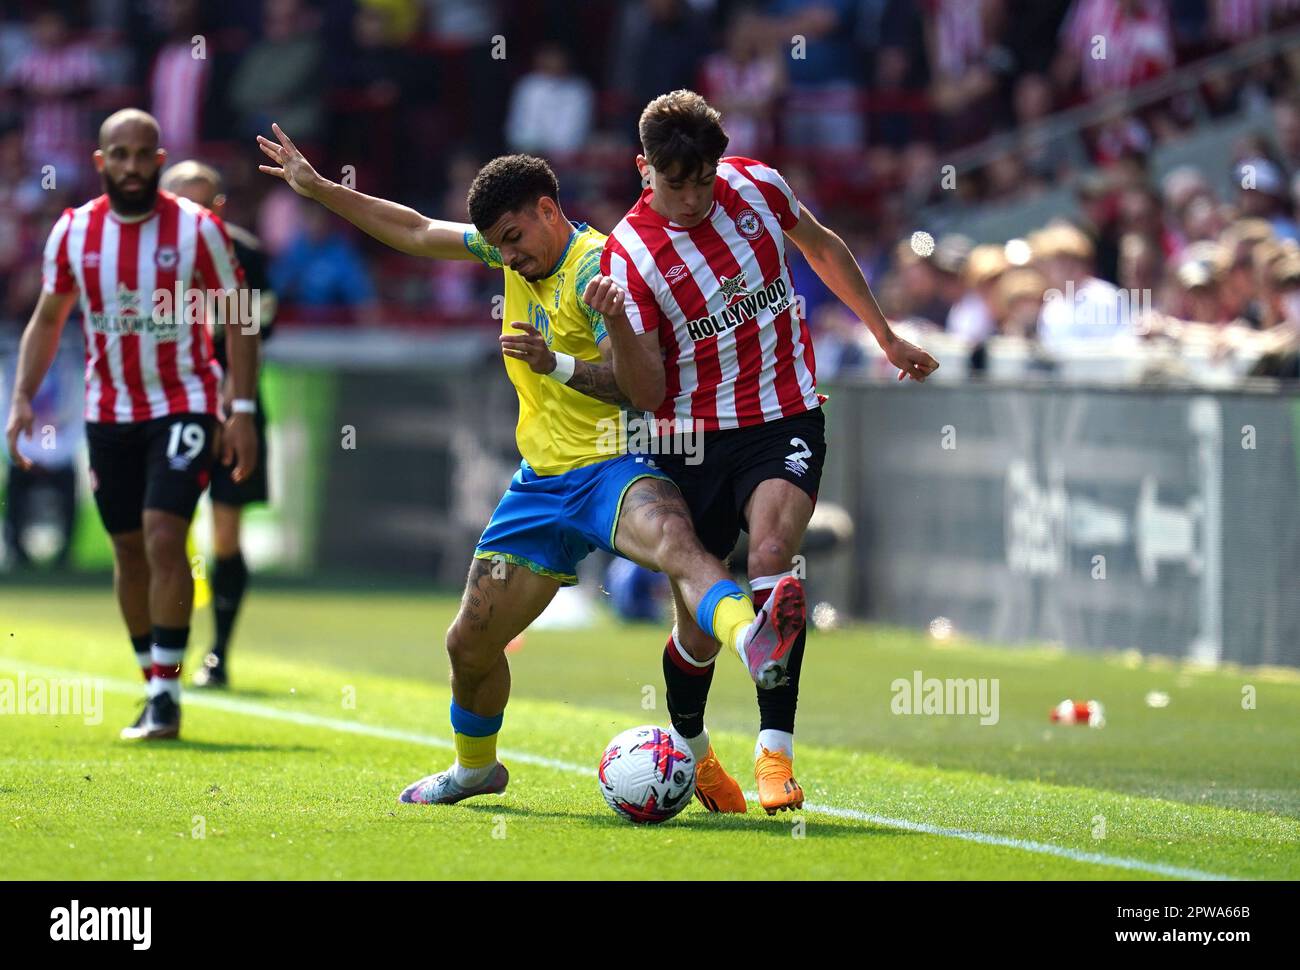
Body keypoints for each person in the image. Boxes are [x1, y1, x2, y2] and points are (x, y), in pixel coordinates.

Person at [256, 124, 806, 805]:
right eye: (499, 245)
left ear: (549, 210)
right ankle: (475, 769)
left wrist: (560, 365)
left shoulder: (602, 269)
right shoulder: (508, 246)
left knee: (676, 546)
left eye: (515, 239)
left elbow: (638, 387)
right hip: (541, 485)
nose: (507, 257)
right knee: (468, 643)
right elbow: (418, 230)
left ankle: (753, 639)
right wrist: (321, 190)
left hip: (614, 464)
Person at [598, 90, 937, 813]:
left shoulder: (756, 185)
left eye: (702, 180)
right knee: (698, 634)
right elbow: (645, 385)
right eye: (674, 182)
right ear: (642, 169)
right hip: (690, 436)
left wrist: (883, 334)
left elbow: (819, 243)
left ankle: (775, 756)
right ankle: (692, 751)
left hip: (784, 413)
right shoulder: (628, 256)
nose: (691, 198)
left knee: (773, 558)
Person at [4, 109, 259, 740]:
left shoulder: (198, 230)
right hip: (109, 410)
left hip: (185, 401)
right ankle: (153, 679)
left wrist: (242, 410)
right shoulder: (72, 233)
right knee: (127, 549)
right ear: (100, 162)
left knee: (163, 534)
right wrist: (22, 398)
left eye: (144, 155)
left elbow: (239, 316)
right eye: (119, 155)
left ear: (159, 159)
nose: (131, 167)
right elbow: (47, 316)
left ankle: (167, 696)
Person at [161, 160, 278, 688]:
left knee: (225, 533)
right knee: (165, 532)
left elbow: (254, 334)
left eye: (204, 201)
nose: (195, 212)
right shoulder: (149, 256)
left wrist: (236, 406)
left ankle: (219, 654)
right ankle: (169, 651)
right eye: (184, 201)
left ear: (220, 204)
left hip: (235, 404)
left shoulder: (245, 253)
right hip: (170, 404)